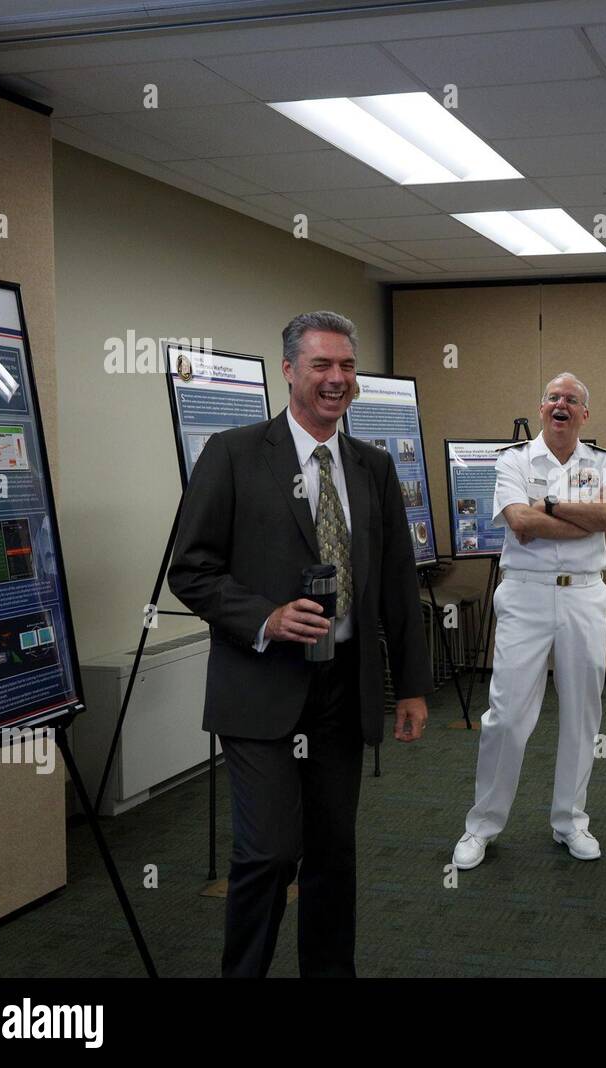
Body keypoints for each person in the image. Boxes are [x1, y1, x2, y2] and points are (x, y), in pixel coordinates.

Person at [168, 311, 432, 977]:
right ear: (289, 370)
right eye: (322, 365)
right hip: (260, 685)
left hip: (343, 686)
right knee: (269, 853)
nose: (337, 379)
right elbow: (190, 571)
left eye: (346, 366)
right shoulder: (231, 455)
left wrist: (414, 686)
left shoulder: (372, 468)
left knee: (333, 850)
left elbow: (398, 583)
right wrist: (266, 617)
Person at [452, 373, 606, 870]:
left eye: (572, 400)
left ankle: (571, 820)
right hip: (525, 597)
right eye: (553, 397)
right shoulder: (512, 460)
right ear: (541, 405)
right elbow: (519, 523)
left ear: (584, 414)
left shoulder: (605, 463)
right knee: (506, 716)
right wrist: (580, 518)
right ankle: (481, 825)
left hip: (585, 596)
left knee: (581, 715)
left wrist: (548, 505)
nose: (560, 405)